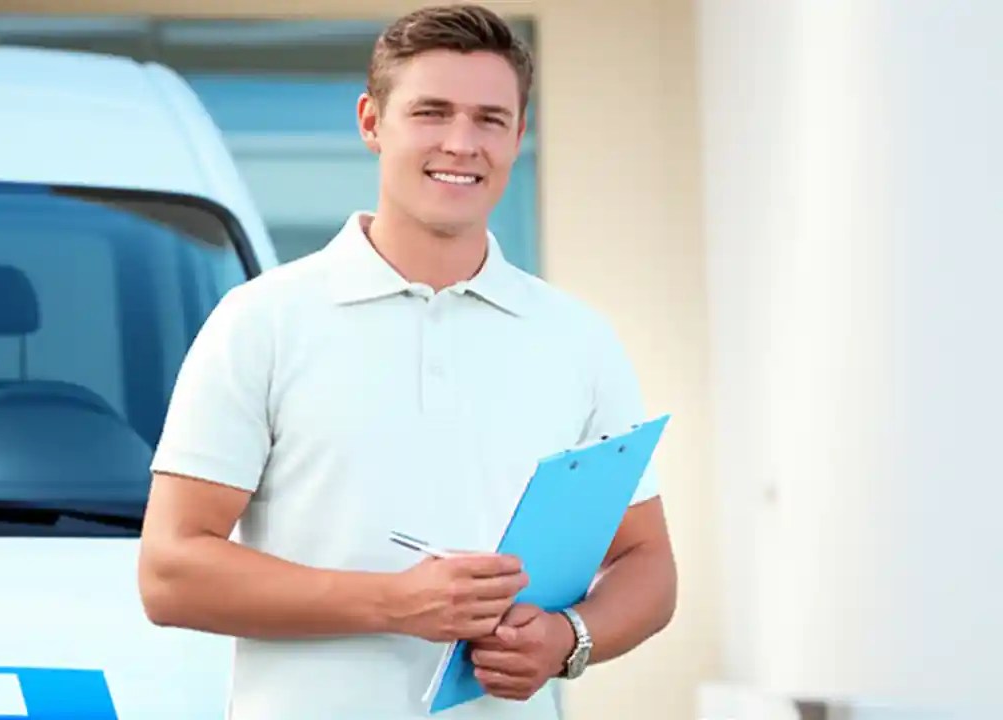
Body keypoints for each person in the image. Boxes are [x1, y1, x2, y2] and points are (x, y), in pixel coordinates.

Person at [136, 4, 678, 719]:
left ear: (519, 135)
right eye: (431, 112)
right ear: (371, 122)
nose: (462, 143)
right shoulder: (261, 322)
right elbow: (171, 573)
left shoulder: (577, 338)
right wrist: (396, 602)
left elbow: (648, 565)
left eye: (490, 119)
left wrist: (567, 638)